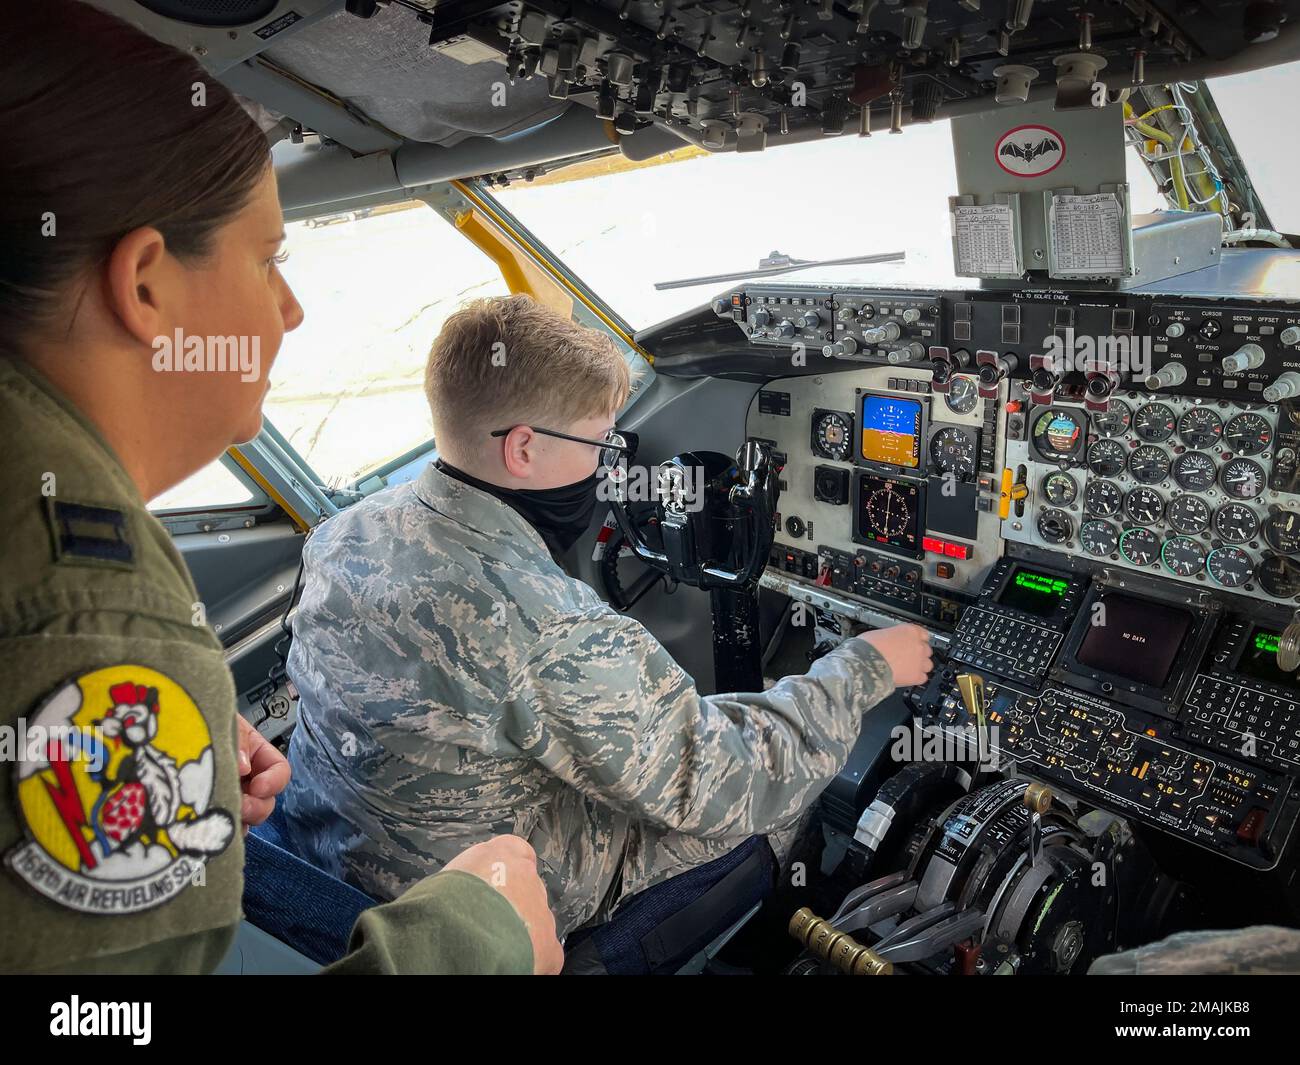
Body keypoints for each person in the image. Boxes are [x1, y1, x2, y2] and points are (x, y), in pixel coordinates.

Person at [0, 0, 561, 975]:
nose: (292, 310)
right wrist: (474, 940)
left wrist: (160, 732)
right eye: (269, 260)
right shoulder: (78, 596)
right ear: (145, 287)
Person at [277, 293, 936, 937]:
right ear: (524, 450)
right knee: (785, 795)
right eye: (597, 440)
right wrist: (865, 666)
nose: (607, 463)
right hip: (467, 916)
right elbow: (727, 772)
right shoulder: (547, 627)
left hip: (329, 854)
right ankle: (782, 936)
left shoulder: (341, 533)